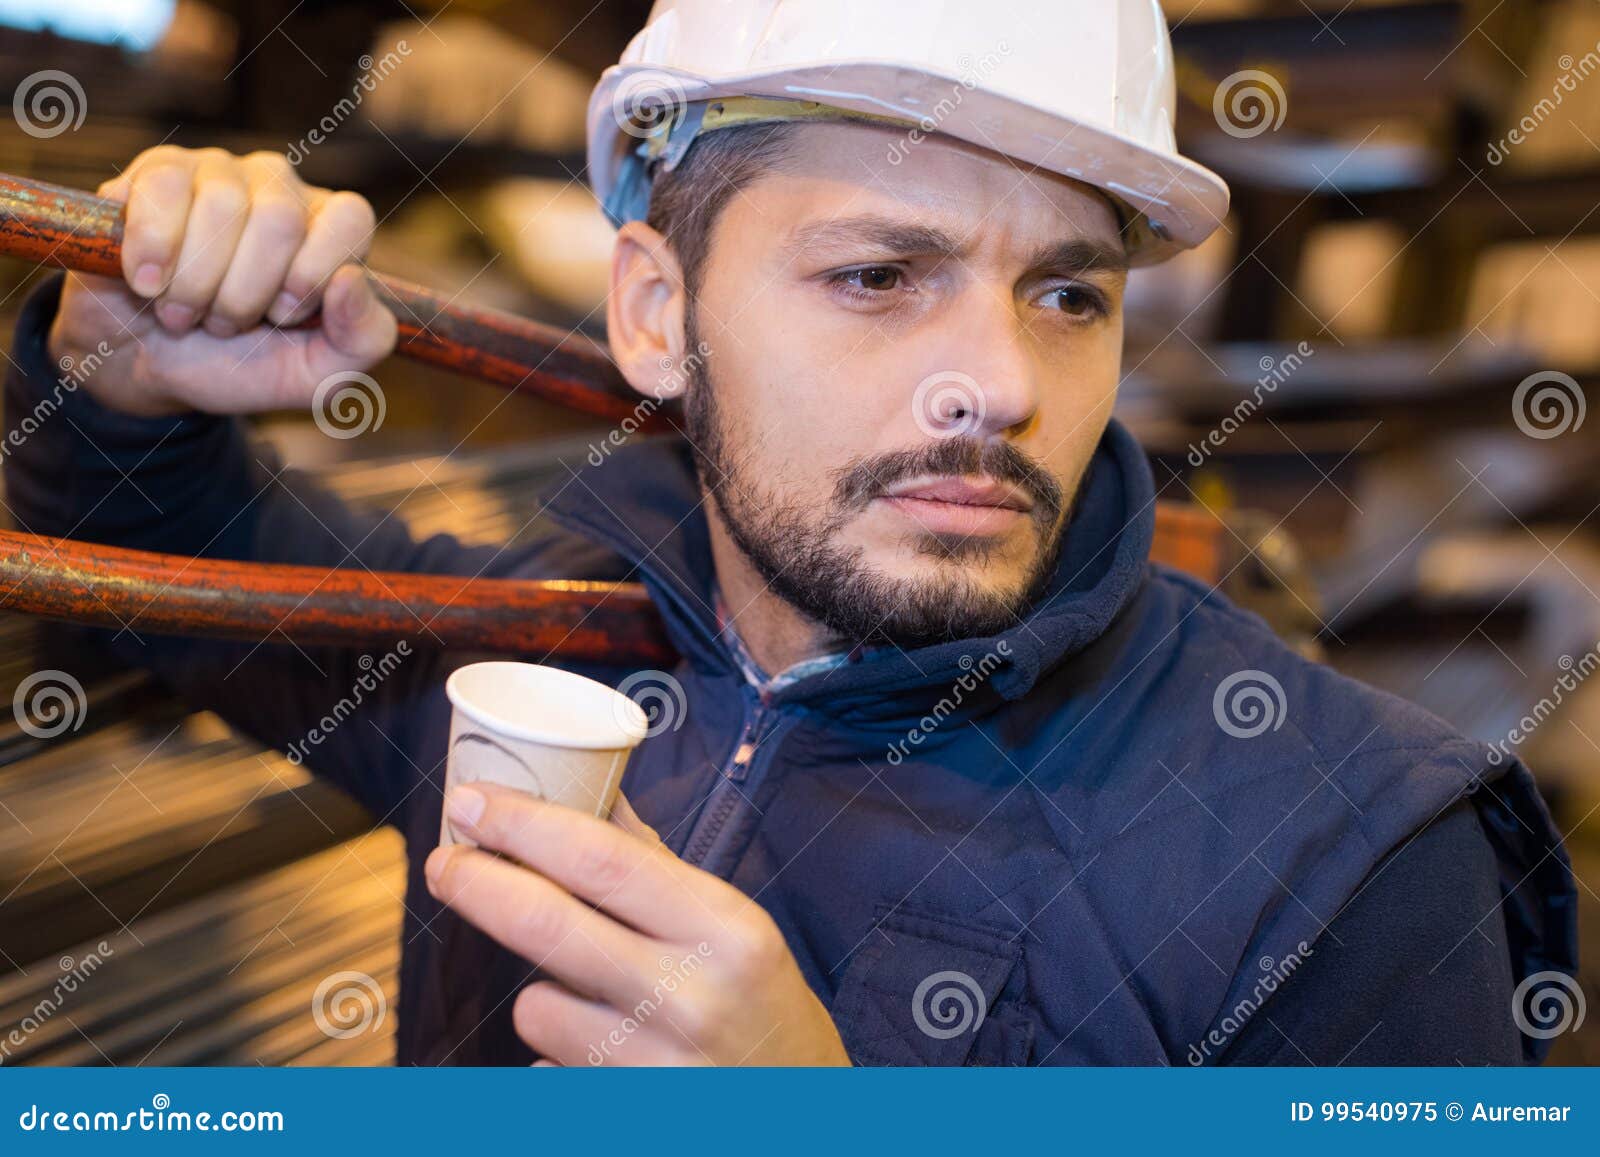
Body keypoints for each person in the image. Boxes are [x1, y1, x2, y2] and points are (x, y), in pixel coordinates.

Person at [3, 0, 1578, 1066]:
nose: (996, 386)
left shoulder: (1354, 857)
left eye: (1068, 293)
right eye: (880, 276)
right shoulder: (529, 650)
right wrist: (118, 381)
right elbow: (153, 564)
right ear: (654, 310)